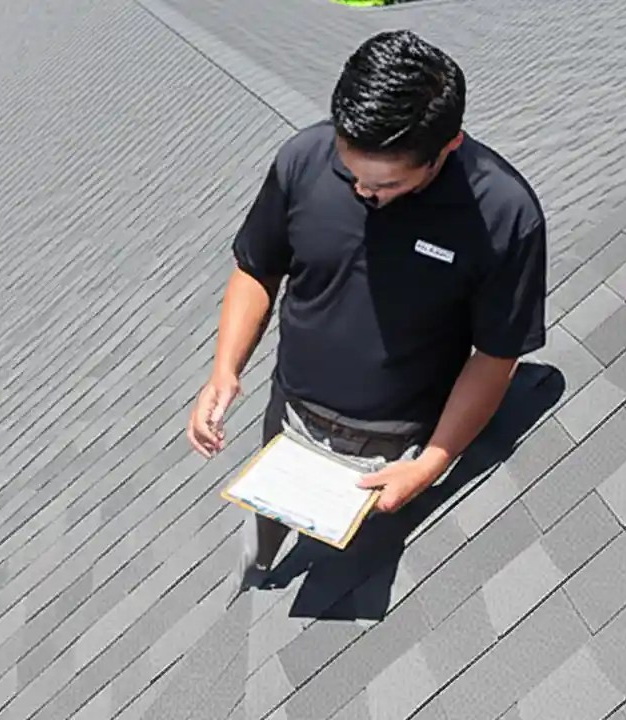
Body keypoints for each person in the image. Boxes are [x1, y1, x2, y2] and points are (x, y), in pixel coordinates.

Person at [185, 29, 548, 587]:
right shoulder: (304, 159)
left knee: (347, 585)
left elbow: (495, 355)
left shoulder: (503, 216)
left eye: (384, 183)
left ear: (446, 148)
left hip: (393, 447)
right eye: (350, 169)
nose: (361, 191)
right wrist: (224, 370)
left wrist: (428, 467)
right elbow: (257, 267)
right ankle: (256, 575)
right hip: (289, 419)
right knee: (260, 549)